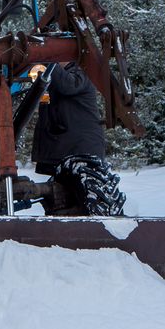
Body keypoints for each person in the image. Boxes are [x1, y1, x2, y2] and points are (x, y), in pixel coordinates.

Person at [28, 62, 124, 215]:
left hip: (82, 149)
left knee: (95, 198)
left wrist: (48, 60)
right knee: (66, 199)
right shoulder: (57, 79)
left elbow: (69, 85)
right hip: (66, 152)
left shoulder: (81, 72)